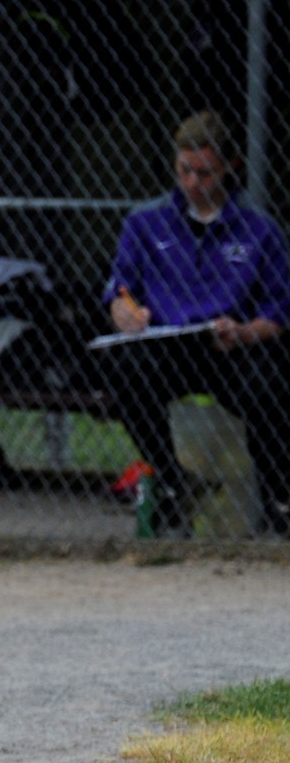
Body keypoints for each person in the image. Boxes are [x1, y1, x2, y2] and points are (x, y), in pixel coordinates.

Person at [100, 111, 290, 537]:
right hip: (169, 346)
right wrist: (126, 310)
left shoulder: (259, 230)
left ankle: (278, 497)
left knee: (269, 385)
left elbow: (280, 311)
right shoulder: (145, 223)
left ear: (228, 167)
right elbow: (119, 287)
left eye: (204, 173)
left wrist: (244, 332)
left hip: (231, 349)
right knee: (125, 369)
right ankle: (171, 482)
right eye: (184, 170)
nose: (192, 183)